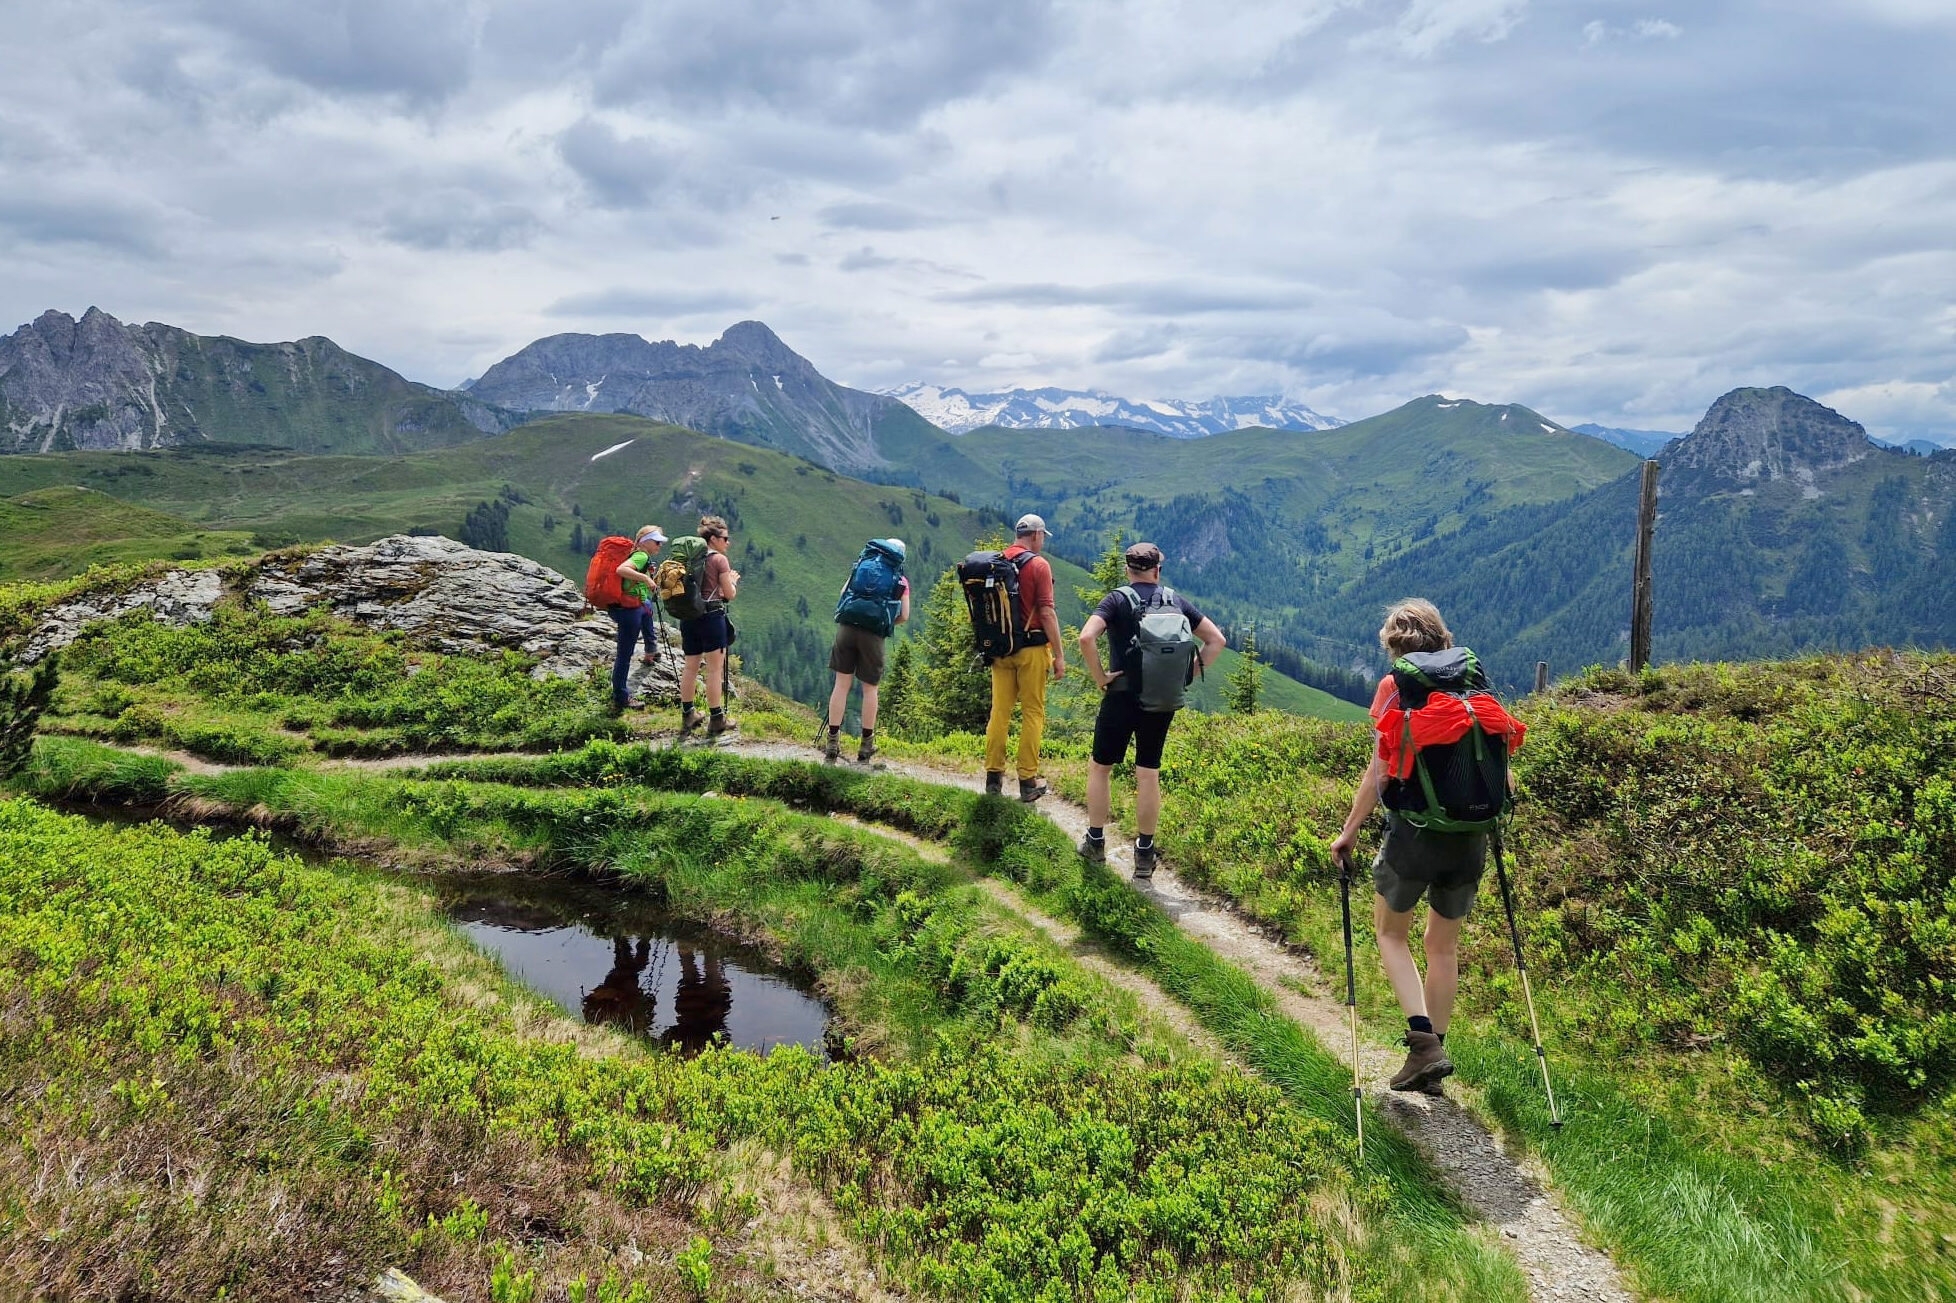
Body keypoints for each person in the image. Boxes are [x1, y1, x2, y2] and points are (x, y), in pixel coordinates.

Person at [1329, 599, 1510, 1097]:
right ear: (1442, 638)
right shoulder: (1474, 685)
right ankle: (1436, 1052)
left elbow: (1380, 771)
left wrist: (1347, 832)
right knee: (1443, 945)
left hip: (1414, 832)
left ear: (1394, 646)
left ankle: (1424, 1045)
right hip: (1471, 834)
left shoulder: (1396, 687)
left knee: (1390, 934)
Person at [1075, 541, 1225, 878]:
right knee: (1148, 773)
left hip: (1120, 696)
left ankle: (1095, 843)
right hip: (1161, 700)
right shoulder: (1175, 600)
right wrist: (1185, 676)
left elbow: (1086, 638)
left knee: (1101, 768)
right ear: (1157, 570)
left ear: (1128, 570)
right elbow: (1216, 641)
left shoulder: (1116, 599)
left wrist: (1101, 677)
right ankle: (1144, 854)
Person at [984, 513, 1066, 801]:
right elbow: (1046, 612)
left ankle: (993, 779)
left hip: (1000, 649)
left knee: (1000, 712)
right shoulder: (1039, 565)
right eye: (1043, 535)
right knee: (1032, 712)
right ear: (1036, 535)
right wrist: (1059, 655)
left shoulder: (997, 562)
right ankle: (1027, 782)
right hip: (1031, 649)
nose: (1043, 540)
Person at [823, 538, 911, 763]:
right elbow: (904, 616)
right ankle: (865, 746)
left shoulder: (862, 564)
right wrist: (884, 622)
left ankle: (832, 742)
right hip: (873, 635)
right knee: (870, 690)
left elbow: (844, 593)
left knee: (841, 684)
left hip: (847, 628)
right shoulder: (899, 579)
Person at [678, 514, 740, 737]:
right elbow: (729, 594)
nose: (727, 542)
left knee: (690, 667)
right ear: (713, 538)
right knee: (714, 670)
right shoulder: (719, 560)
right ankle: (716, 719)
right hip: (711, 617)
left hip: (688, 616)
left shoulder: (690, 557)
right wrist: (732, 580)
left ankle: (688, 715)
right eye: (725, 537)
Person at [607, 525, 666, 711]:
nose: (659, 546)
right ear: (644, 541)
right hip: (628, 610)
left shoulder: (643, 557)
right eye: (656, 542)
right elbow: (621, 570)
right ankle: (621, 697)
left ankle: (650, 651)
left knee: (648, 607)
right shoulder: (640, 556)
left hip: (636, 605)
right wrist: (645, 578)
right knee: (624, 654)